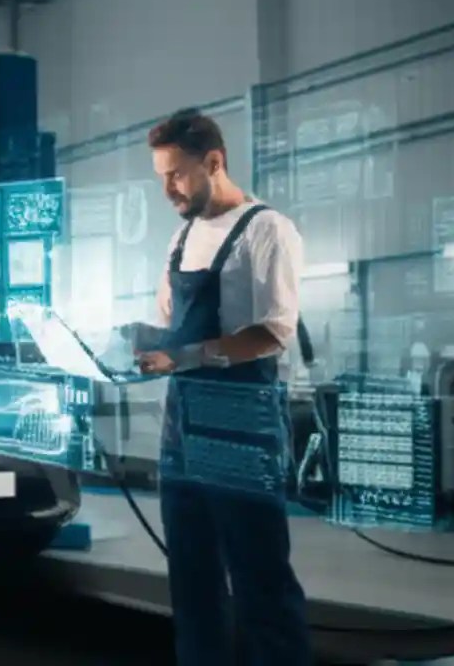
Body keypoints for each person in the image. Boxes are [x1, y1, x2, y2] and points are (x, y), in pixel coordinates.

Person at [126, 108, 313, 665]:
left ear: (214, 161)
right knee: (192, 579)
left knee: (260, 582)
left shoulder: (267, 230)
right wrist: (134, 344)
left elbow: (272, 333)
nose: (168, 189)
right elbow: (174, 324)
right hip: (181, 427)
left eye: (177, 174)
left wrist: (180, 355)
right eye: (160, 176)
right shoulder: (180, 240)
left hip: (241, 423)